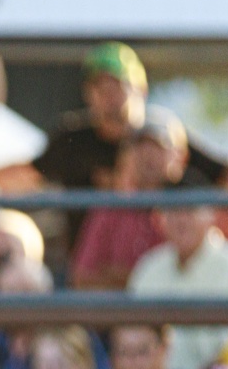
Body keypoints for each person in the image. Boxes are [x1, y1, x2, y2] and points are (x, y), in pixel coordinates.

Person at [6, 42, 228, 253]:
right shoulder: (71, 141)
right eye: (100, 87)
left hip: (163, 269)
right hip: (92, 267)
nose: (109, 96)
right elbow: (27, 175)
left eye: (118, 86)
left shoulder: (167, 132)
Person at [127, 170, 228, 369]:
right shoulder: (148, 268)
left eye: (190, 209)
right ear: (160, 217)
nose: (181, 220)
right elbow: (133, 340)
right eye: (172, 210)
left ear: (211, 213)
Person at [66, 115, 183, 290]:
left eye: (158, 147)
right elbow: (81, 277)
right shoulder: (108, 208)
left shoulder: (188, 210)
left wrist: (119, 275)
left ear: (179, 157)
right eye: (140, 146)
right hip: (114, 315)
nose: (147, 155)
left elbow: (183, 280)